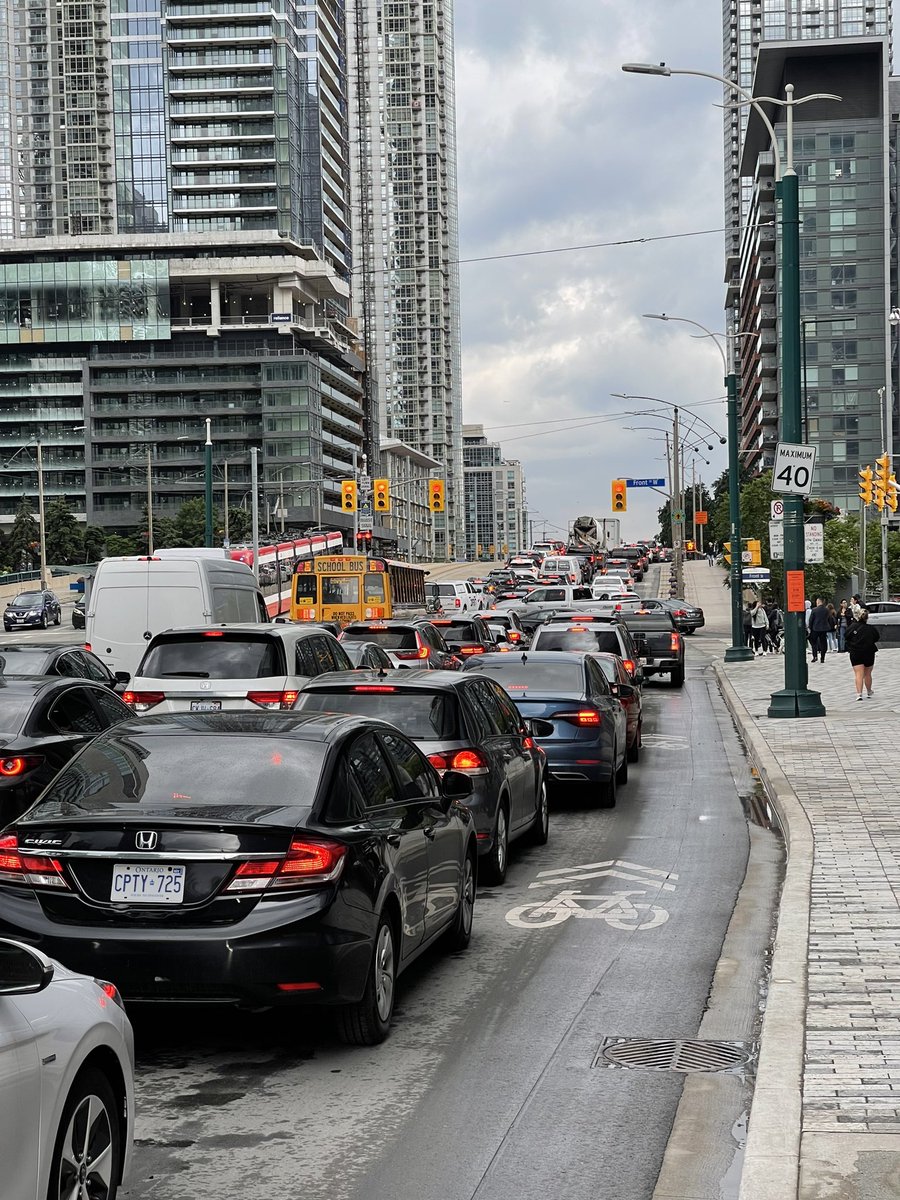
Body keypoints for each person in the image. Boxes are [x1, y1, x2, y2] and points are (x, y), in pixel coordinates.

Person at [845, 608, 880, 700]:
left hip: (855, 652)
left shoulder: (852, 627)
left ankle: (859, 694)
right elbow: (876, 637)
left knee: (858, 673)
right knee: (868, 673)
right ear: (867, 618)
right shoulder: (871, 629)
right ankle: (869, 691)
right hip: (869, 651)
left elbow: (846, 636)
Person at [808, 597, 834, 663]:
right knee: (823, 643)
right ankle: (822, 657)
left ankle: (815, 656)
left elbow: (811, 620)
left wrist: (810, 627)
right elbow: (830, 618)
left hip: (815, 628)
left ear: (819, 602)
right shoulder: (827, 610)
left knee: (814, 642)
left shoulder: (814, 610)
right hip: (824, 628)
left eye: (817, 601)